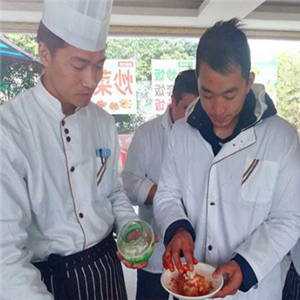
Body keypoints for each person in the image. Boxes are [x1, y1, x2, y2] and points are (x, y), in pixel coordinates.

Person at [0, 1, 144, 299]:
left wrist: (130, 224)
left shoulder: (102, 121)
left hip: (107, 270)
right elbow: (5, 255)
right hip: (47, 282)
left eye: (100, 64)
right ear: (45, 54)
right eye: (79, 65)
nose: (92, 80)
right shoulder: (10, 131)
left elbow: (113, 191)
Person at [153, 18, 300, 300]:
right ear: (197, 79)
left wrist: (246, 265)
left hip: (251, 292)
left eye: (229, 94)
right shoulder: (182, 132)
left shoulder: (281, 138)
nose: (218, 108)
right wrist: (178, 228)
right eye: (207, 93)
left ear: (249, 82)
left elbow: (288, 218)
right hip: (189, 284)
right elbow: (168, 194)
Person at [122, 69, 199, 300]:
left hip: (191, 249)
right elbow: (129, 181)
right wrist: (166, 196)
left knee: (191, 289)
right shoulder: (148, 133)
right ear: (172, 101)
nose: (192, 115)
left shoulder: (202, 134)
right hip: (154, 248)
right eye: (186, 107)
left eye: (198, 107)